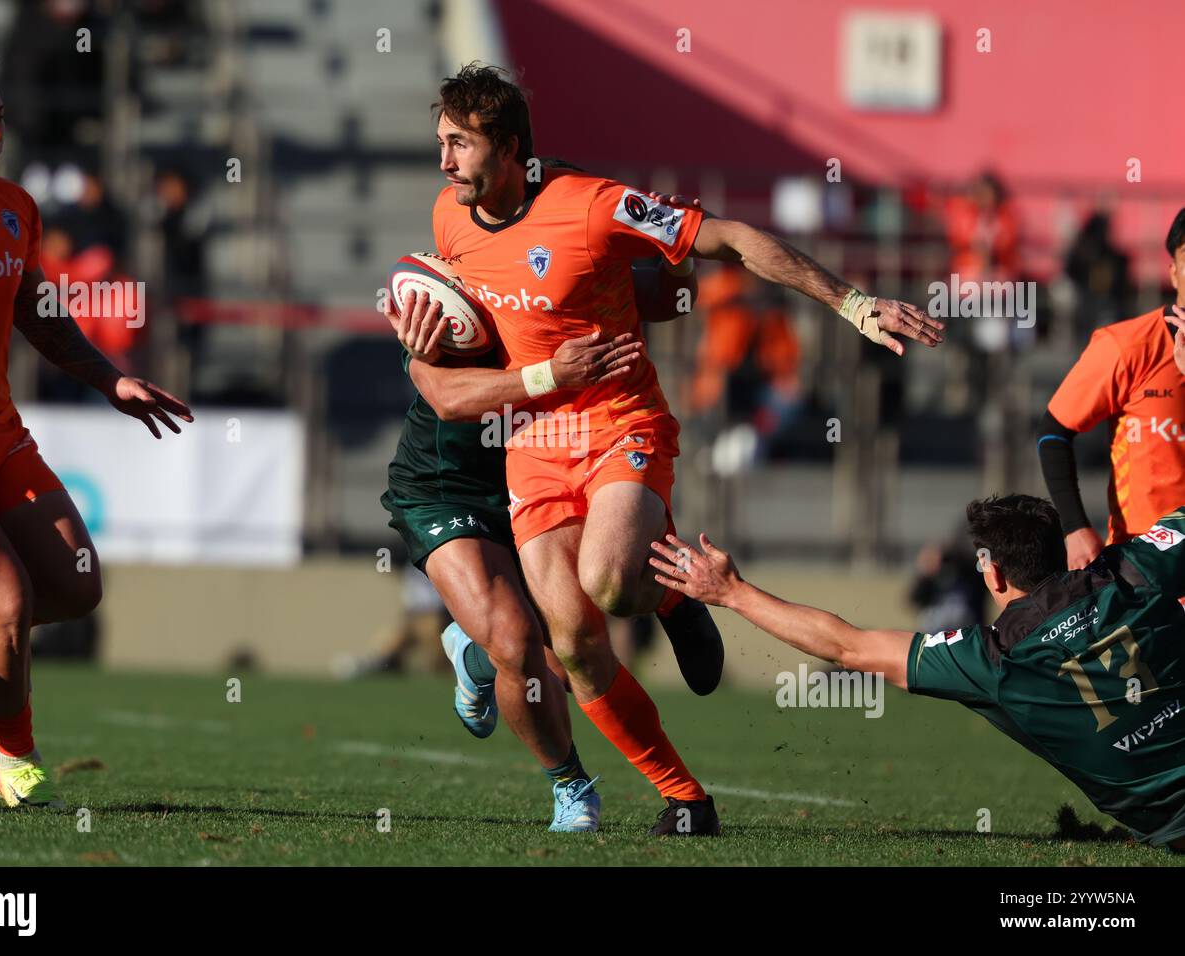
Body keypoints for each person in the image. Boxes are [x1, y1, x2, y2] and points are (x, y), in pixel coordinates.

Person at [410, 63, 941, 834]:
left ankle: (667, 595)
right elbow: (483, 326)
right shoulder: (447, 220)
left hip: (621, 421)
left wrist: (851, 302)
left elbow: (725, 239)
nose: (445, 160)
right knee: (574, 639)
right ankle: (685, 798)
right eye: (441, 143)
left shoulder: (591, 204)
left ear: (510, 147)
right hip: (530, 440)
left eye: (459, 144)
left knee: (610, 582)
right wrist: (425, 335)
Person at [0, 42, 192, 808]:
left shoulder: (15, 208)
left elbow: (44, 318)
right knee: (10, 600)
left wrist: (109, 377)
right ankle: (16, 758)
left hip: (0, 433)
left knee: (79, 588)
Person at [381, 206, 697, 833]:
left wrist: (683, 247)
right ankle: (571, 787)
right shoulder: (439, 306)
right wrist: (553, 371)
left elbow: (671, 296)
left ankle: (471, 657)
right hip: (445, 490)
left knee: (577, 624)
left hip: (539, 471)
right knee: (518, 645)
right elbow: (447, 397)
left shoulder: (558, 280)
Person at [650, 494, 1185, 851]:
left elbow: (847, 647)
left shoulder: (994, 660)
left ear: (993, 573)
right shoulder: (1132, 568)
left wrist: (732, 593)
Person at [1039, 208, 1185, 570]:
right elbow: (1054, 431)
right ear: (1174, 272)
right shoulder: (1127, 346)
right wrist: (1075, 527)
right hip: (1145, 566)